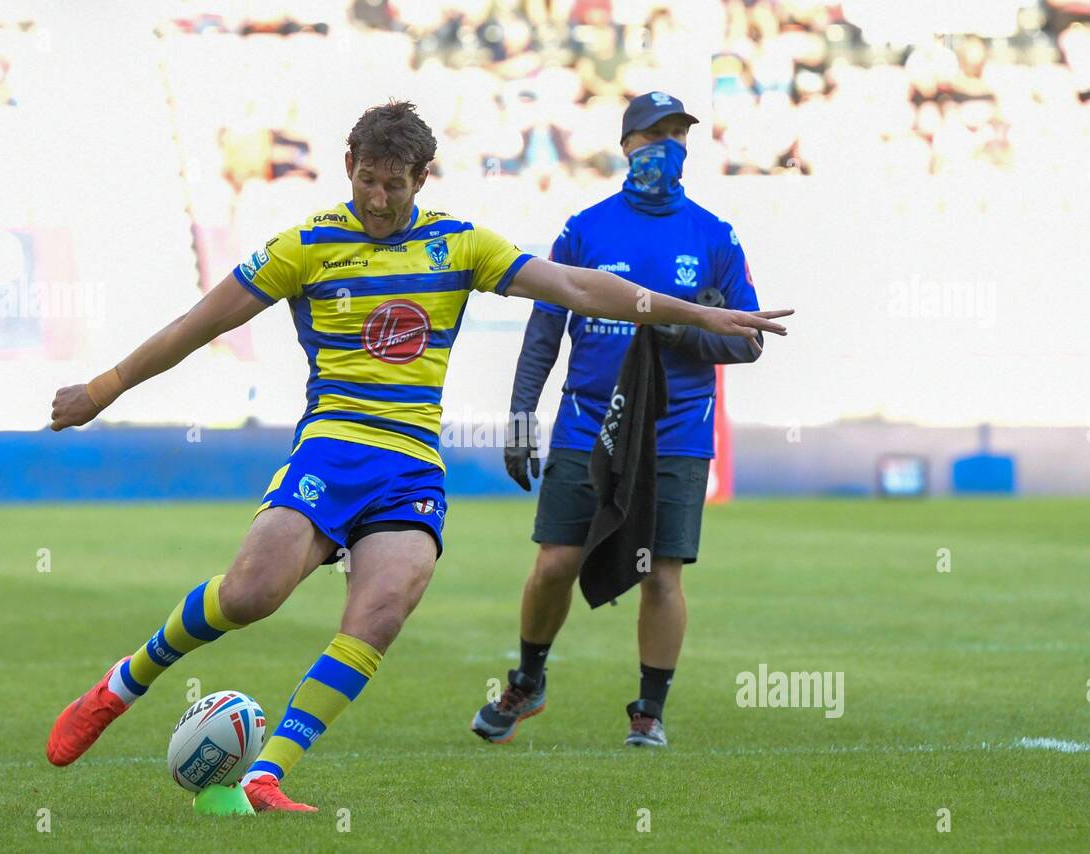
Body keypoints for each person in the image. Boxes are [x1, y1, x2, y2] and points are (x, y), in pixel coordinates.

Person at [45, 100, 790, 812]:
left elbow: (574, 286)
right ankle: (120, 687)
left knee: (379, 612)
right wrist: (103, 389)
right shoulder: (305, 247)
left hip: (409, 471)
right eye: (367, 180)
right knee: (250, 596)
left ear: (421, 178)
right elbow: (196, 324)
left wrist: (698, 314)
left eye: (394, 184)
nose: (377, 199)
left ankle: (267, 777)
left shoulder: (458, 245)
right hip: (331, 451)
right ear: (348, 166)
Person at [472, 91, 764, 749]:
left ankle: (649, 710)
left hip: (676, 429)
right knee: (555, 563)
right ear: (627, 146)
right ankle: (528, 679)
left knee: (661, 574)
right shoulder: (584, 230)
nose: (667, 146)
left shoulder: (715, 236)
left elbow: (748, 340)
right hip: (587, 424)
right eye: (655, 135)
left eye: (678, 134)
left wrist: (683, 330)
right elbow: (545, 331)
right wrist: (521, 414)